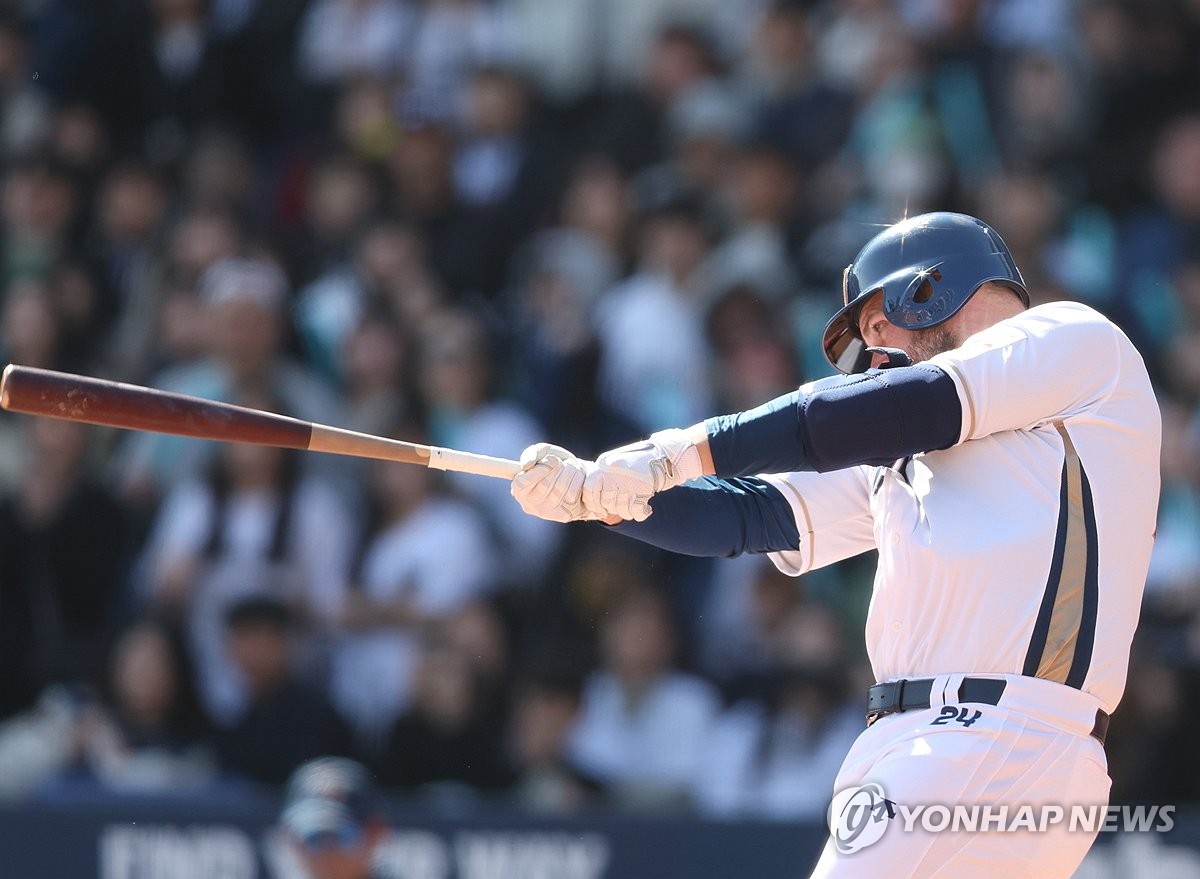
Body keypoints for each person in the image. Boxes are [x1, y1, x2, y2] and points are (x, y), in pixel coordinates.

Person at [511, 212, 1161, 878]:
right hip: (936, 745)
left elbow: (885, 407)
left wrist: (678, 450)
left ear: (935, 285)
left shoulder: (1073, 340)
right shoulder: (911, 449)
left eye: (877, 320)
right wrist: (599, 498)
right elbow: (751, 515)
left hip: (992, 732)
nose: (872, 350)